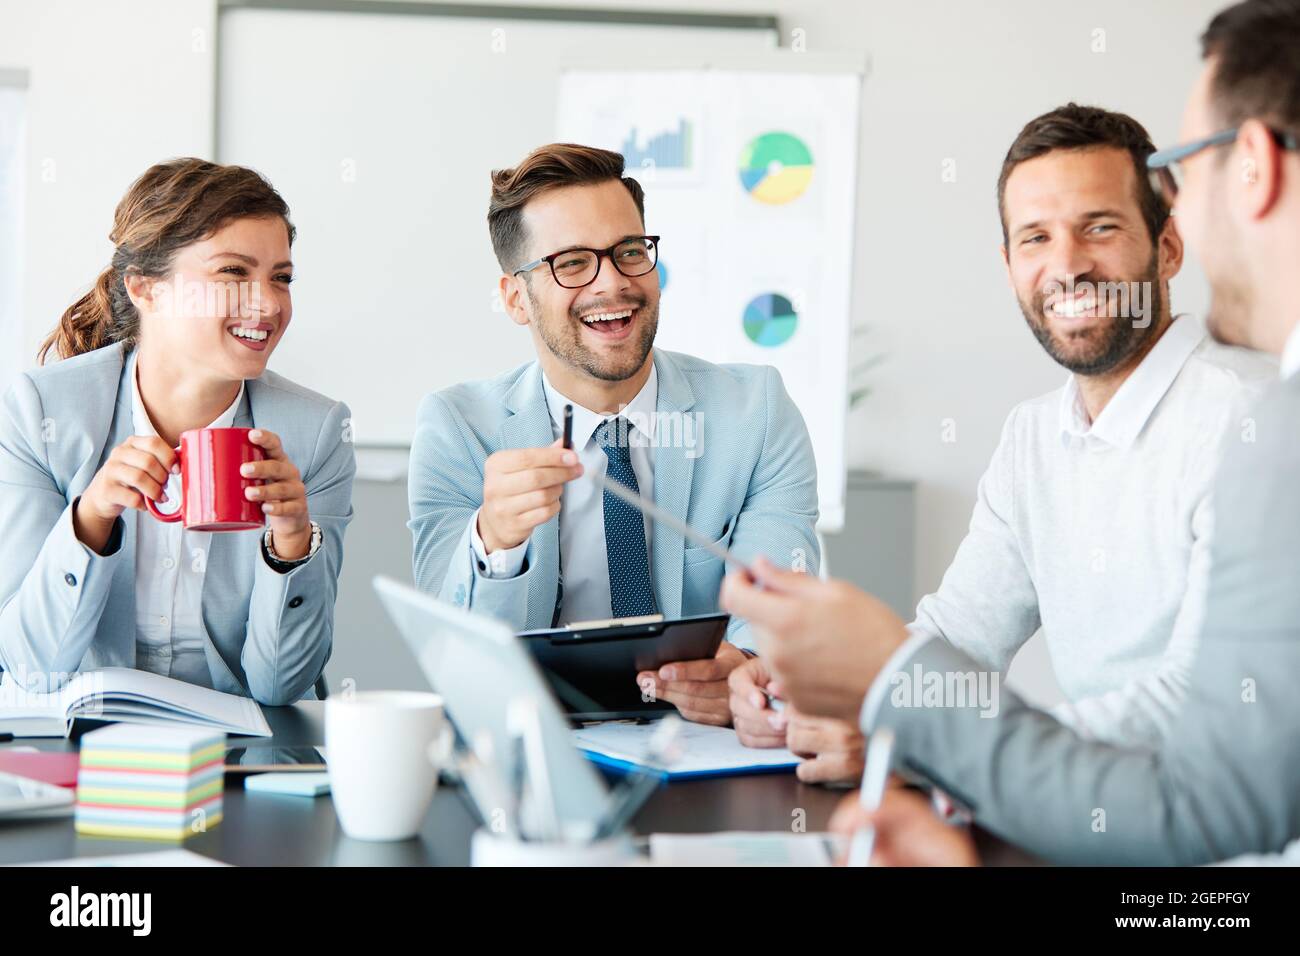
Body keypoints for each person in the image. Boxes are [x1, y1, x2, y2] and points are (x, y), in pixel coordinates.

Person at [723, 0, 1300, 864]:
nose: (1065, 264)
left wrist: (913, 728)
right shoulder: (1035, 437)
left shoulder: (1255, 421)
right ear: (1008, 265)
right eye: (1034, 237)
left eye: (1100, 227)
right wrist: (816, 687)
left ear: (1167, 246)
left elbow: (1195, 712)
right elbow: (954, 634)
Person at [408, 143, 819, 725]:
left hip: (704, 745)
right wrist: (495, 541)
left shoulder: (756, 412)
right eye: (572, 263)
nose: (613, 283)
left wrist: (747, 665)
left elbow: (783, 608)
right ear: (515, 299)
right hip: (536, 748)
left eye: (630, 251)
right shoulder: (458, 430)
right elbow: (456, 658)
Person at [0, 159, 355, 705]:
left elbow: (281, 686)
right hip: (82, 735)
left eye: (280, 278)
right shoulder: (41, 412)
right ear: (146, 289)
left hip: (240, 748)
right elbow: (30, 667)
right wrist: (90, 519)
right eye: (234, 273)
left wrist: (290, 545)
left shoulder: (316, 432)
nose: (268, 303)